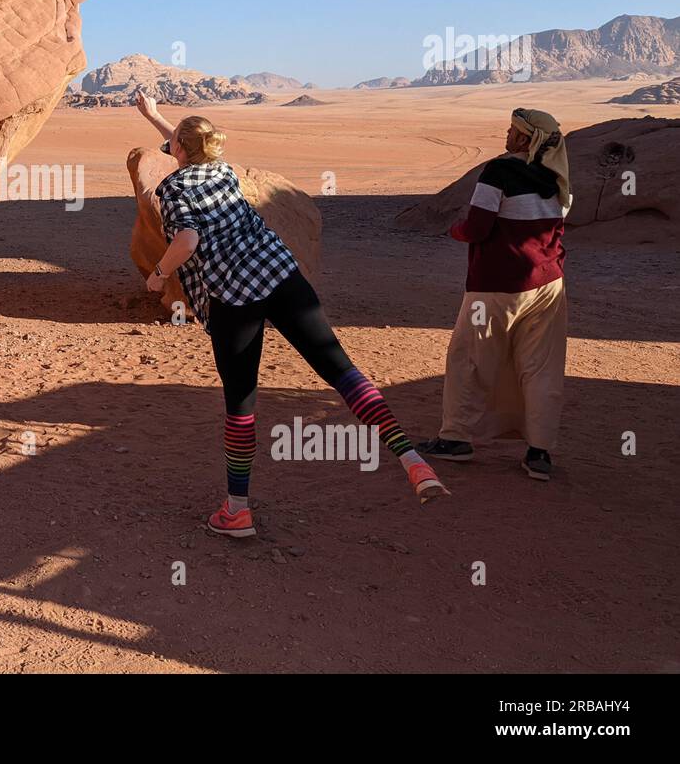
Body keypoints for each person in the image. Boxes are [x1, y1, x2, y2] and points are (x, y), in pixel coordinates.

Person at [134, 91, 447, 537]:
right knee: (341, 370)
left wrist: (159, 272)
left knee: (240, 405)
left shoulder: (175, 188)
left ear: (180, 150)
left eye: (175, 144)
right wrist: (158, 118)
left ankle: (237, 510)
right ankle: (413, 461)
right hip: (280, 276)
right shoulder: (221, 170)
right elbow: (188, 149)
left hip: (233, 298)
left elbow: (187, 239)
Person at [418, 108, 570, 481]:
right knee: (541, 368)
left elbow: (477, 227)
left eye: (514, 130)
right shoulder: (558, 179)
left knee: (468, 357)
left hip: (495, 288)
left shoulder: (498, 172)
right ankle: (539, 453)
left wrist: (455, 231)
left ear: (526, 139)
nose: (507, 134)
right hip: (548, 287)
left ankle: (455, 439)